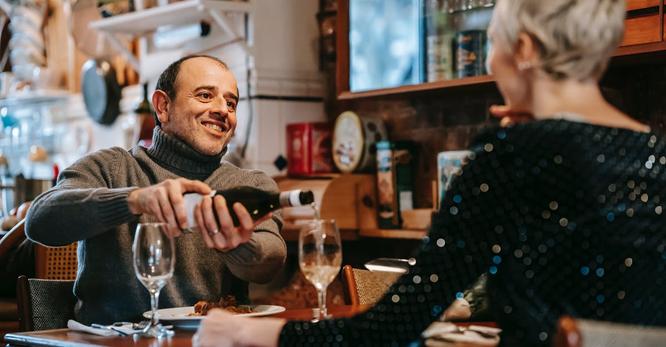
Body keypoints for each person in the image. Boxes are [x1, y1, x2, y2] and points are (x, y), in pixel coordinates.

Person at [193, 0, 666, 346]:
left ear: (523, 48)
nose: (491, 58)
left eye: (494, 42)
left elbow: (392, 328)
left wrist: (244, 331)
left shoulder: (510, 155)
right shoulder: (654, 153)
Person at [24, 55, 287, 324]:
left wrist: (237, 244)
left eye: (231, 103)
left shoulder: (251, 185)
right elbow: (39, 221)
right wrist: (135, 199)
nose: (223, 110)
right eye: (205, 96)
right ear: (163, 106)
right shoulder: (110, 168)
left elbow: (270, 262)